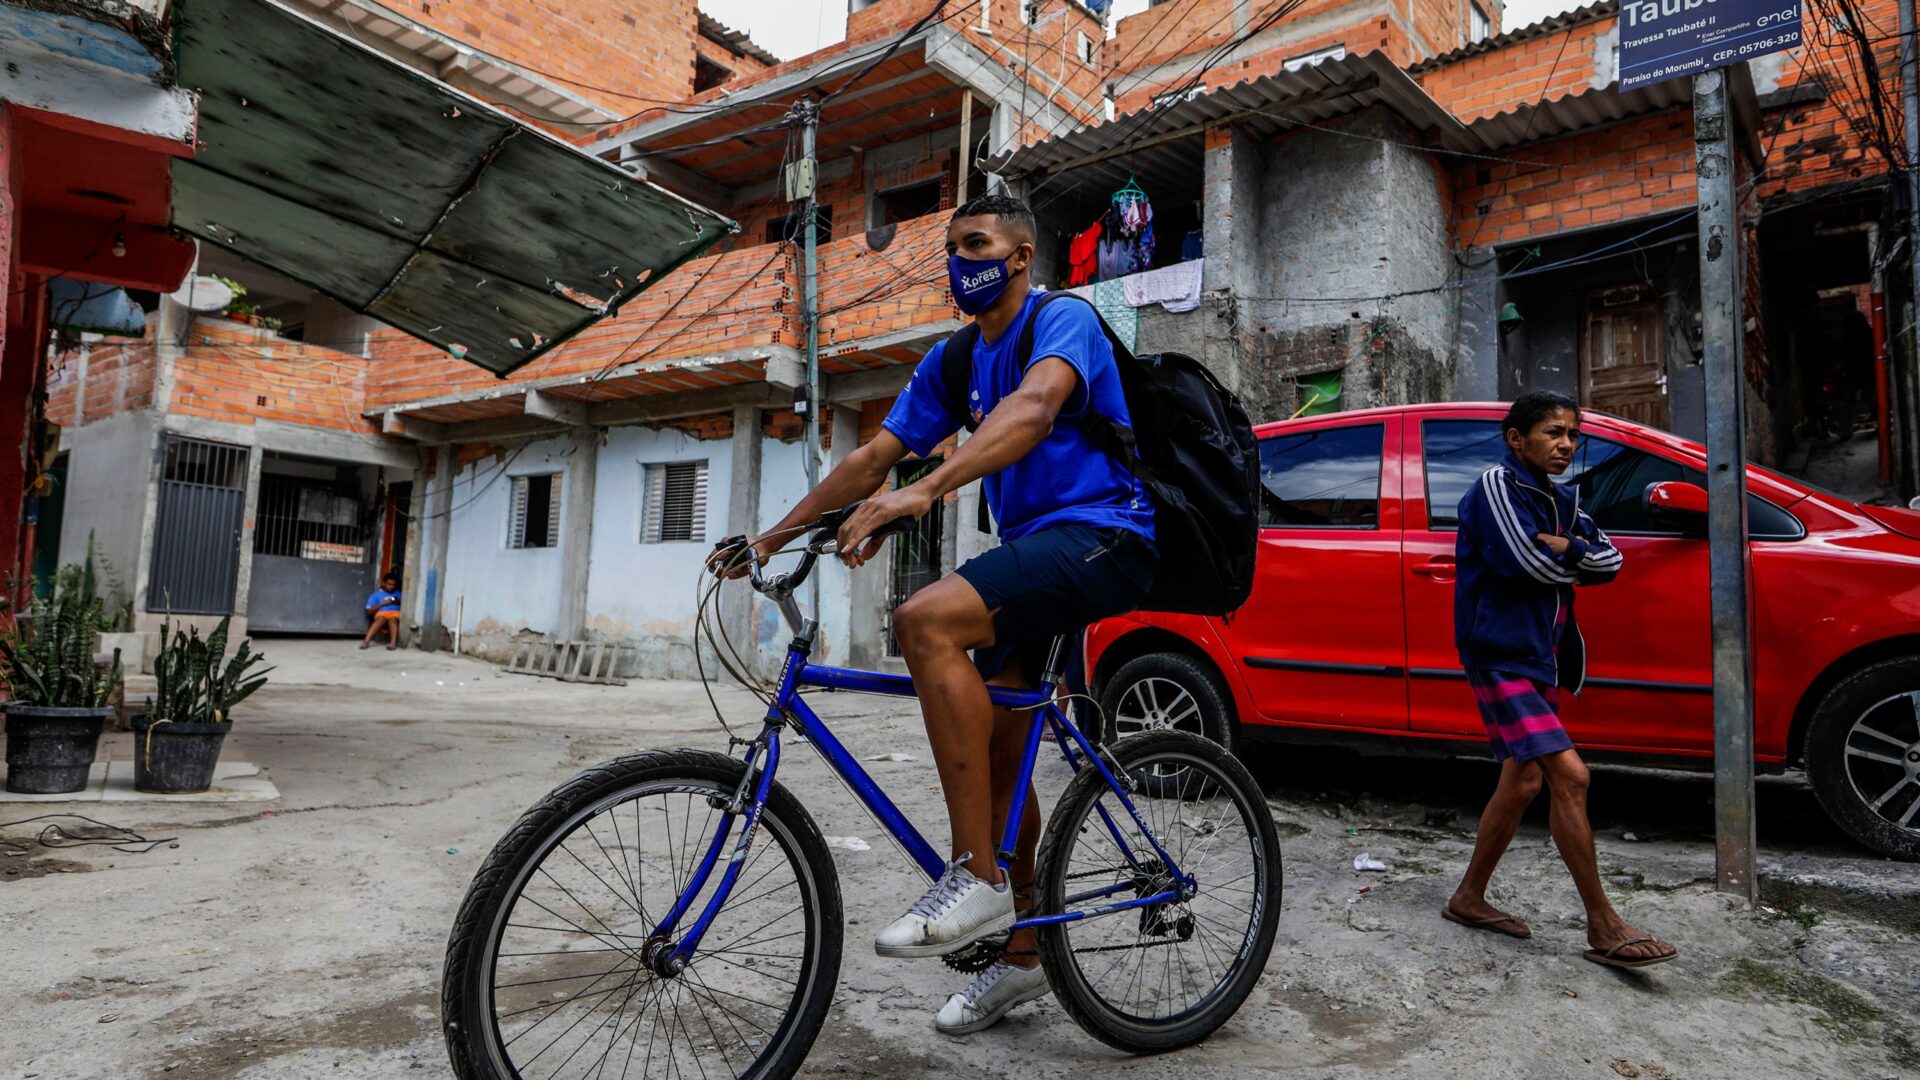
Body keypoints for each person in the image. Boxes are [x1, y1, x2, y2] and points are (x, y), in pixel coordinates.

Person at [715, 193, 1158, 1033]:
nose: (963, 259)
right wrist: (771, 539)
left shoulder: (1065, 319)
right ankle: (1023, 958)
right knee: (1000, 759)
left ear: (1022, 255)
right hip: (1039, 552)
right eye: (952, 247)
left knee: (926, 620)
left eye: (978, 243)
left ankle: (979, 878)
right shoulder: (957, 358)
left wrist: (920, 494)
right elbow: (876, 454)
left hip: (1107, 536)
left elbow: (1032, 412)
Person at [1442, 390, 1678, 970]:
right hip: (1498, 653)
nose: (1566, 444)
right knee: (1570, 776)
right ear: (1516, 439)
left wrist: (1569, 544)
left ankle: (1468, 897)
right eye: (1552, 432)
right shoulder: (1497, 487)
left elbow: (1611, 561)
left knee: (1522, 784)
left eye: (1572, 434)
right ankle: (1604, 924)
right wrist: (1572, 556)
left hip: (1540, 656)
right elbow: (1529, 564)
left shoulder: (1563, 501)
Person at [361, 574, 402, 651]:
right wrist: (383, 603)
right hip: (382, 613)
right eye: (389, 584)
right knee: (380, 619)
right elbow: (369, 611)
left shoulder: (399, 594)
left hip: (395, 613)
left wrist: (397, 602)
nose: (391, 587)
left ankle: (393, 642)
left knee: (393, 620)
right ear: (383, 583)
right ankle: (366, 641)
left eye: (393, 585)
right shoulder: (377, 595)